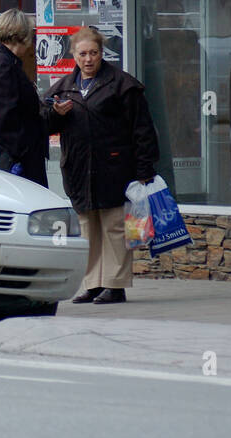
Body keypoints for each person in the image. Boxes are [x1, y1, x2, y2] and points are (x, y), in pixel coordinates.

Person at [44, 26, 159, 305]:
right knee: (88, 228)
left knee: (114, 227)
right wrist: (54, 114)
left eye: (93, 53)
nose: (88, 59)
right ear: (73, 54)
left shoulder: (123, 85)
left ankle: (115, 285)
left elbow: (143, 130)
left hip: (115, 169)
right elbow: (43, 123)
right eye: (82, 54)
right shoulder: (63, 88)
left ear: (101, 53)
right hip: (79, 169)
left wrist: (144, 170)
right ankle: (94, 284)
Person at [0, 8, 48, 187]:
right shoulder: (2, 64)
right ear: (21, 35)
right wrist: (23, 153)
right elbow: (4, 115)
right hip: (9, 157)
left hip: (3, 150)